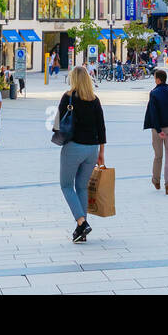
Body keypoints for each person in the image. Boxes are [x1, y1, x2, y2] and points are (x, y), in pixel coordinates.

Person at [56, 65, 106, 243]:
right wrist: (101, 152)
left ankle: (81, 222)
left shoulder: (68, 97)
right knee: (82, 187)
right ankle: (81, 230)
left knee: (66, 185)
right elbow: (101, 127)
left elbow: (58, 120)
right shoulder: (94, 99)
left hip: (73, 147)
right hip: (91, 149)